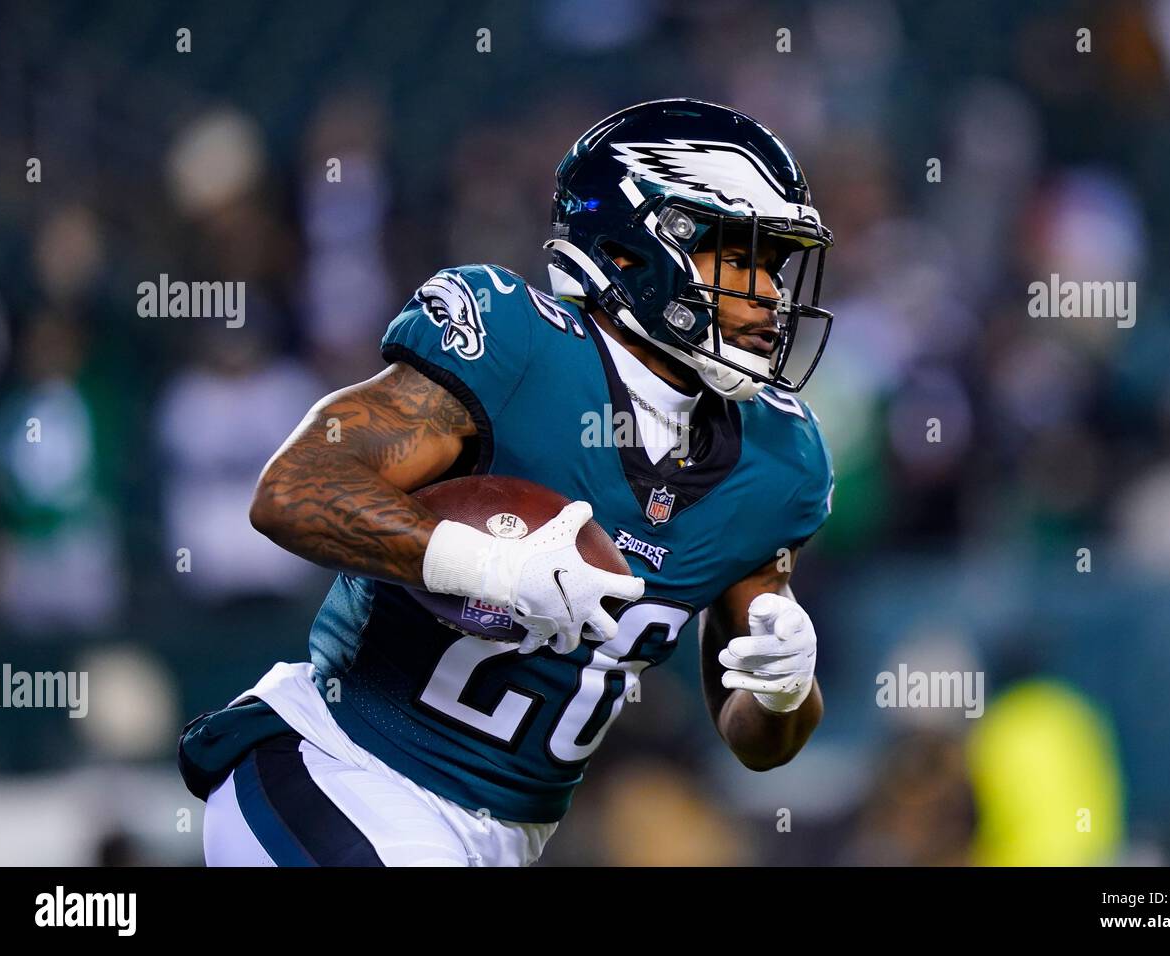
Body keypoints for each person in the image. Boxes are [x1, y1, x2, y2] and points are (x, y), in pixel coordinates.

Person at [179, 98, 836, 866]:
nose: (769, 295)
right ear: (635, 249)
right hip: (340, 767)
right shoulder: (521, 346)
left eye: (776, 266)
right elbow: (292, 490)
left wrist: (789, 688)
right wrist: (489, 567)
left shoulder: (778, 458)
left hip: (503, 839)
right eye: (740, 257)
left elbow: (753, 735)